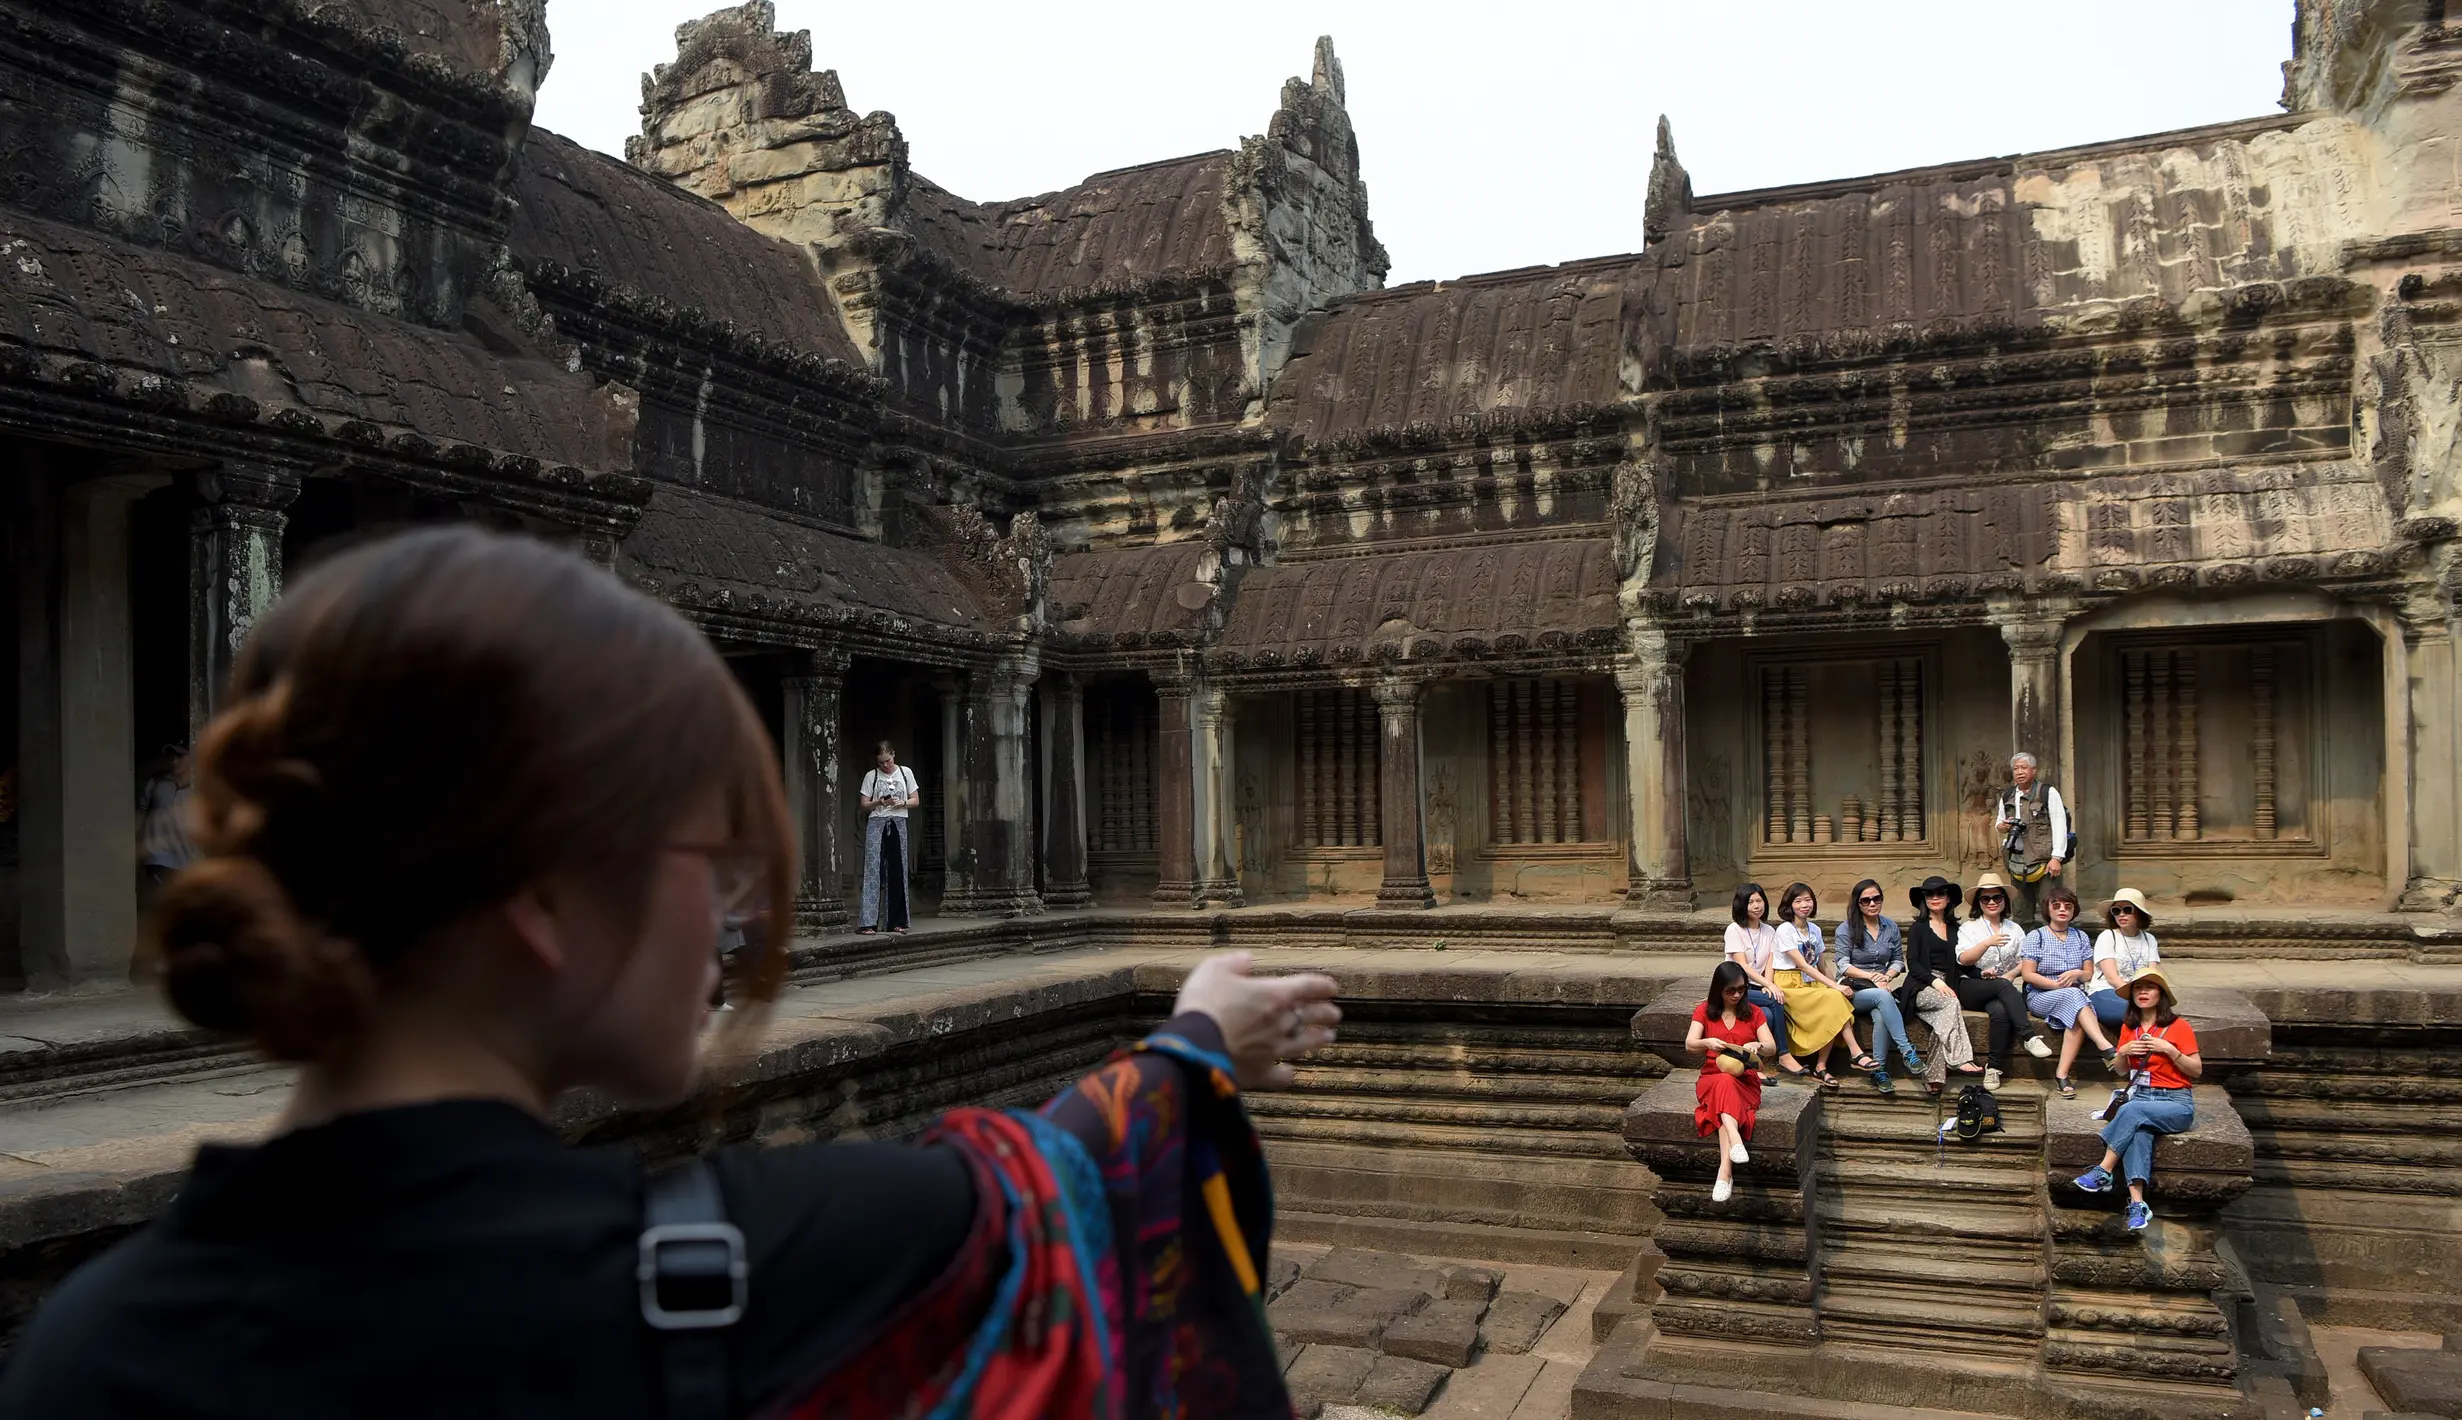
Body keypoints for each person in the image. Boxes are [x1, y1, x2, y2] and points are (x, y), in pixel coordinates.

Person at [0, 527, 1340, 1419]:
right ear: (538, 892)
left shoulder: (87, 1353)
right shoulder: (771, 1265)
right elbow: (1064, 1190)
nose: (736, 919)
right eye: (713, 854)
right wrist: (1192, 1046)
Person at [2073, 966, 2200, 1232]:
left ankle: (2104, 1170)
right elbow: (2120, 1070)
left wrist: (2169, 1050)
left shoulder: (2179, 1027)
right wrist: (2124, 1051)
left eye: (2149, 988)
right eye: (2138, 989)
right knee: (2139, 1131)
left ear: (2161, 994)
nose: (2143, 993)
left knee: (2131, 1112)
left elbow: (2196, 1070)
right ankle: (2138, 1204)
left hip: (2175, 1103)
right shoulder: (2128, 1028)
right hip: (2143, 1097)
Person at [1686, 961, 1777, 1204]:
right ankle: (1729, 1159)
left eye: (1741, 989)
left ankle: (1724, 1171)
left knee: (1727, 1085)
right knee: (1723, 1082)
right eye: (1731, 991)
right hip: (1711, 1078)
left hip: (1745, 1081)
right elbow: (1689, 1044)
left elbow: (1771, 1048)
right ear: (1719, 990)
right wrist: (1707, 1043)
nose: (1737, 995)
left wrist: (1757, 1045)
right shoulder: (1704, 1011)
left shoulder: (1754, 1013)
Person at [1956, 872, 2054, 1090]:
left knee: (2000, 1012)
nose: (1991, 902)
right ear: (1978, 903)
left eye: (1997, 898)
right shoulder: (1969, 928)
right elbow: (1963, 959)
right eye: (1985, 899)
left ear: (2004, 901)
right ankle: (2029, 1036)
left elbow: (2026, 961)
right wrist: (1987, 943)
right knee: (2003, 985)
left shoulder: (2014, 929)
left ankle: (1993, 1067)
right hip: (1972, 985)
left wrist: (2011, 974)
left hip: (2001, 988)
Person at [2021, 886, 2120, 1098]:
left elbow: (2088, 974)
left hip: (2073, 995)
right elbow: (2028, 975)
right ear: (2048, 910)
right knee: (2075, 997)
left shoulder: (2081, 937)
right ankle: (2104, 1046)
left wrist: (2076, 973)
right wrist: (2057, 985)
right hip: (2041, 995)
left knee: (2075, 1013)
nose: (2062, 910)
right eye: (2056, 906)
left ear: (2074, 910)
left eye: (2068, 906)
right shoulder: (2036, 936)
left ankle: (2062, 1075)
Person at [1836, 877, 1924, 1096]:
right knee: (1883, 998)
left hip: (1879, 988)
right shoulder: (1846, 929)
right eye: (1866, 900)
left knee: (1882, 1013)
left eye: (1876, 899)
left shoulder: (1889, 926)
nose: (1872, 904)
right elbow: (1842, 964)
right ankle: (1906, 1050)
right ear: (1857, 903)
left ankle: (1879, 1070)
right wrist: (1872, 977)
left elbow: (1897, 960)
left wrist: (1887, 975)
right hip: (1852, 989)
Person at [1902, 875, 1984, 1095]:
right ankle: (1961, 1058)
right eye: (1930, 894)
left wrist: (1982, 973)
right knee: (1950, 1003)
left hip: (1947, 988)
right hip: (1920, 988)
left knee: (1943, 1020)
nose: (1935, 897)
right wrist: (1935, 982)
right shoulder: (1918, 928)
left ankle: (1934, 1078)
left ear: (1948, 899)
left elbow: (1961, 962)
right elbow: (1913, 964)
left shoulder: (1956, 929)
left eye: (1940, 893)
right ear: (1924, 900)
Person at [1769, 882, 1855, 1090]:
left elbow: (1821, 964)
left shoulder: (1815, 929)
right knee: (1834, 998)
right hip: (1790, 983)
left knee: (1836, 1001)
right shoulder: (1784, 929)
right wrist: (1835, 988)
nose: (1804, 905)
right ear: (1790, 905)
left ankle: (1822, 1065)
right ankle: (1856, 1052)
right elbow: (1803, 965)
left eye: (1807, 899)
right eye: (1798, 901)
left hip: (1812, 981)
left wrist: (1836, 984)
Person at [1722, 883, 1806, 1080]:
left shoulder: (1769, 931)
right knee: (1775, 1001)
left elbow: (1770, 962)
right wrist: (1769, 986)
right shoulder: (1734, 930)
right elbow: (1742, 966)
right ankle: (1784, 1055)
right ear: (1741, 905)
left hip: (1756, 987)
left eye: (1759, 901)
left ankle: (1752, 1065)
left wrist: (1768, 984)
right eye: (1750, 902)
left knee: (1766, 1015)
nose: (1756, 906)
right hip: (1734, 988)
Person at [1995, 751, 2072, 927]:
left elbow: (2059, 823)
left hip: (2044, 862)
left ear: (2034, 770)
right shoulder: (2007, 796)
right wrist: (2003, 826)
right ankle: (2026, 950)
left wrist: (2056, 857)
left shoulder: (2047, 792)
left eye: (2024, 768)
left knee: (2050, 908)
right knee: (2020, 911)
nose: (2019, 772)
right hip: (2017, 862)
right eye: (2016, 768)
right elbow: (1998, 823)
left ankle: (2052, 948)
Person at [857, 741, 919, 935]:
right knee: (873, 870)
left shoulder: (905, 772)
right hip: (877, 823)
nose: (886, 765)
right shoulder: (871, 776)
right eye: (881, 762)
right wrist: (880, 801)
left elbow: (915, 800)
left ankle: (896, 921)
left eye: (888, 760)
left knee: (898, 871)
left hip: (898, 822)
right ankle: (868, 922)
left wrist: (903, 803)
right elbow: (864, 805)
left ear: (894, 755)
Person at [2089, 889, 2161, 1031]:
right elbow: (2112, 977)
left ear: (2139, 913)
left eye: (2127, 909)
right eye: (2116, 910)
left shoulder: (2149, 939)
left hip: (2139, 994)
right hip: (2106, 991)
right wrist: (2135, 999)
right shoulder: (2107, 936)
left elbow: (2151, 975)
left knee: (2160, 1013)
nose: (2121, 914)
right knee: (2138, 1013)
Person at [137, 746, 196, 904]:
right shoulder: (156, 783)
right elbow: (140, 816)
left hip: (185, 861)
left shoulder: (199, 790)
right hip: (158, 858)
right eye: (172, 756)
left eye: (180, 756)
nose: (174, 761)